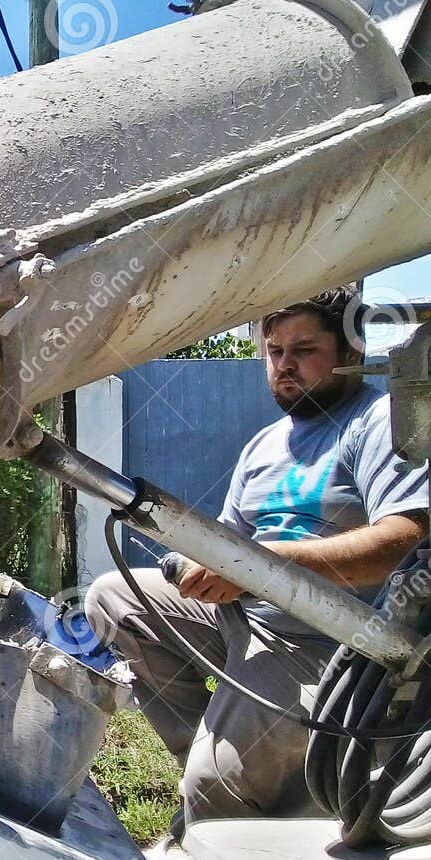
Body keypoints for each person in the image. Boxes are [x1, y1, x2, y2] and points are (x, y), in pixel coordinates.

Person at [85, 288, 429, 827]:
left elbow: (402, 541)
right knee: (113, 596)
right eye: (274, 351)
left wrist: (267, 562)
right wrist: (205, 566)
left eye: (304, 349)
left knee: (210, 787)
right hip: (249, 618)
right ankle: (237, 763)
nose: (285, 365)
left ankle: (234, 791)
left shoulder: (380, 423)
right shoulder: (265, 444)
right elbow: (230, 546)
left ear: (352, 353)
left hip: (328, 641)